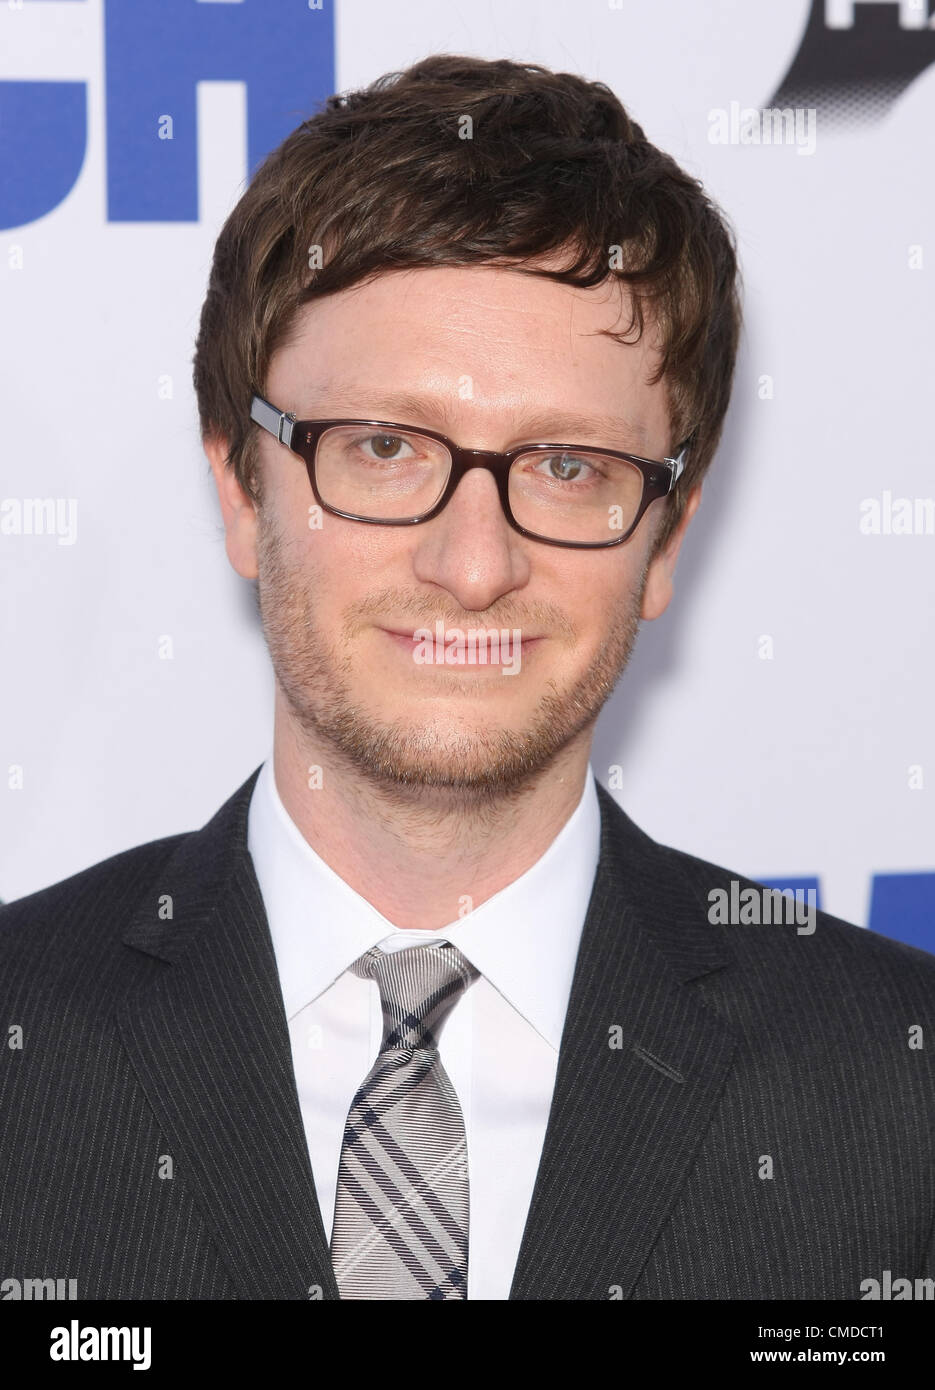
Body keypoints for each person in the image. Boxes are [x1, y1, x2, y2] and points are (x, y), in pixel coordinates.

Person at [1, 54, 933, 1303]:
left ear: (665, 536)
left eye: (566, 467)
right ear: (239, 487)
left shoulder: (895, 1096)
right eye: (384, 448)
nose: (474, 564)